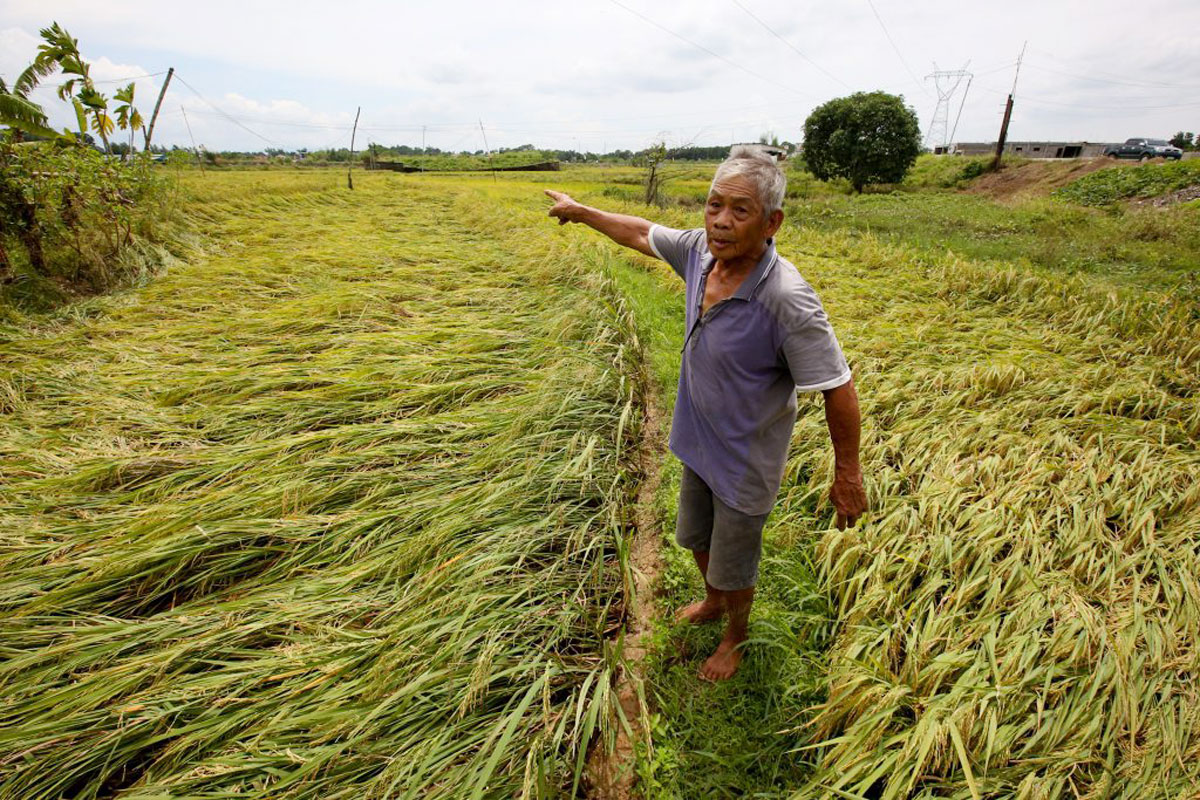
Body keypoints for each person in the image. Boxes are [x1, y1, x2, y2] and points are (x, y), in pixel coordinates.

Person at [544, 146, 866, 681]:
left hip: (745, 459)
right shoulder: (699, 253)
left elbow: (837, 386)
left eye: (740, 210)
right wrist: (582, 212)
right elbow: (642, 233)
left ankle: (736, 636)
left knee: (735, 559)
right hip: (697, 438)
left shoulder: (788, 299)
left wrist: (848, 474)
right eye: (714, 205)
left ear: (772, 222)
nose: (721, 221)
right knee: (696, 538)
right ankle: (714, 601)